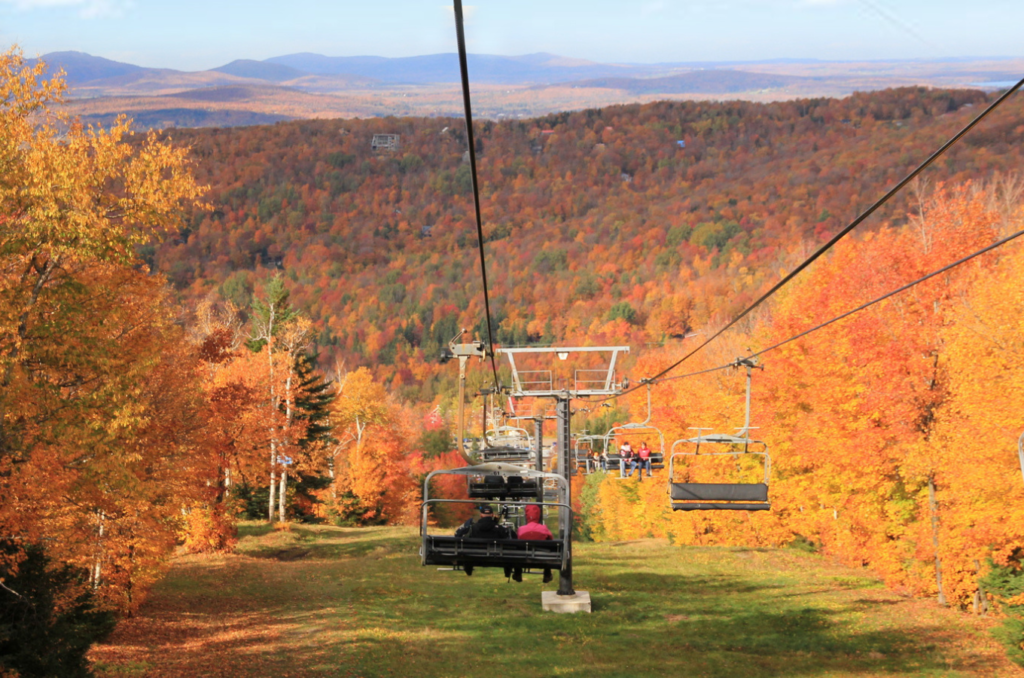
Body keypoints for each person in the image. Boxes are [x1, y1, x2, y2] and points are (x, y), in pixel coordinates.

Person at [455, 505, 516, 578]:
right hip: (496, 556)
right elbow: (513, 536)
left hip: (474, 556)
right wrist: (495, 523)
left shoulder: (472, 528)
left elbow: (457, 535)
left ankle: (468, 568)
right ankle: (507, 571)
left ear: (481, 515)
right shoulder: (499, 528)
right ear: (492, 515)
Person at [517, 504, 554, 583]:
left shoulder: (521, 529)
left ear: (526, 515)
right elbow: (551, 539)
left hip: (524, 557)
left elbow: (518, 541)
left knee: (518, 550)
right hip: (542, 557)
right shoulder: (543, 528)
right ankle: (547, 573)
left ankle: (518, 572)